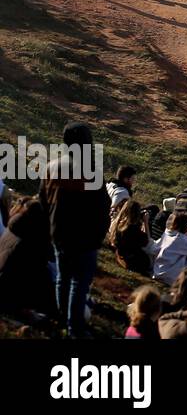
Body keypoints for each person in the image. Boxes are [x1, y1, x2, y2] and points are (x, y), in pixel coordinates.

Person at [40, 122, 110, 338]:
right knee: (78, 284)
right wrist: (98, 236)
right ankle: (74, 329)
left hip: (58, 233)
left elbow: (43, 198)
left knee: (63, 277)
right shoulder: (91, 173)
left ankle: (62, 320)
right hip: (84, 239)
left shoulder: (51, 167)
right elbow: (103, 208)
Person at [151, 212, 187, 285]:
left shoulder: (167, 234)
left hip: (158, 272)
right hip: (170, 278)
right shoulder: (181, 239)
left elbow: (156, 248)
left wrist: (186, 235)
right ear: (185, 225)